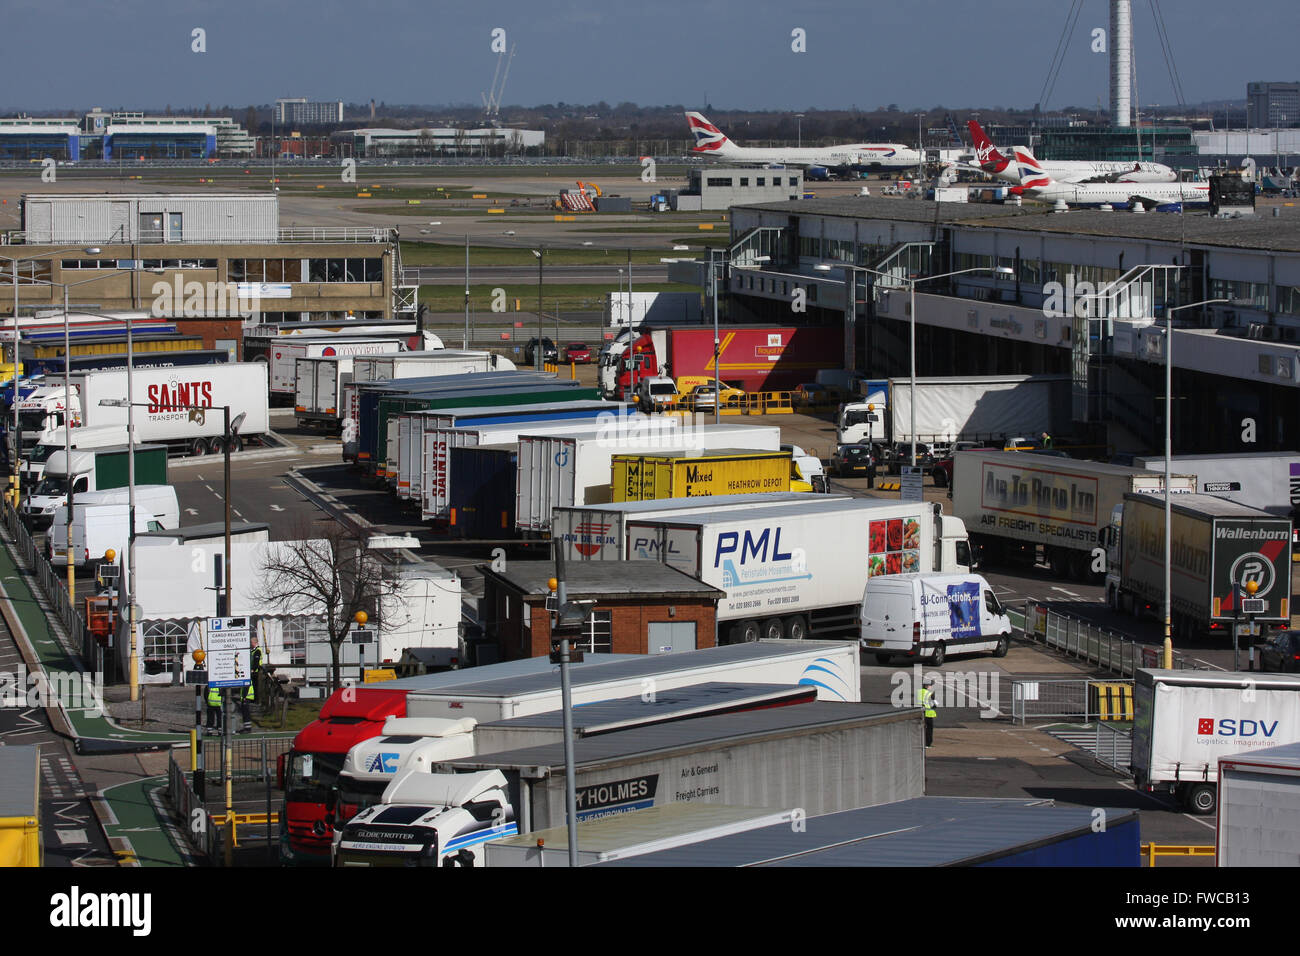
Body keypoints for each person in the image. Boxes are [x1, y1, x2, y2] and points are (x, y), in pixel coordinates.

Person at [917, 676, 937, 747]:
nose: (931, 686)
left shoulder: (920, 692)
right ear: (926, 685)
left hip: (920, 713)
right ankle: (927, 743)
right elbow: (935, 704)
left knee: (921, 729)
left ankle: (921, 742)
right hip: (928, 714)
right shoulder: (929, 693)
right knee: (929, 729)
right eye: (930, 685)